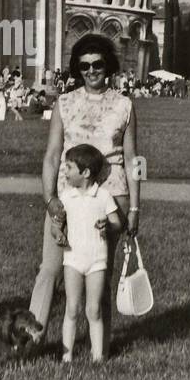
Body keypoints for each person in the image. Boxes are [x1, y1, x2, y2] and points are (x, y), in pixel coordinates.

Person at [30, 33, 140, 353]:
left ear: (109, 65)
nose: (92, 70)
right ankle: (32, 341)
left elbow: (134, 159)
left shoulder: (124, 105)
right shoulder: (64, 102)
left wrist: (134, 208)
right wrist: (49, 199)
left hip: (110, 197)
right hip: (67, 199)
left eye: (98, 64)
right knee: (50, 270)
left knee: (99, 274)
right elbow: (52, 155)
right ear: (77, 68)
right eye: (84, 65)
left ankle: (99, 349)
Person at [57, 144, 123, 364]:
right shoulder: (66, 197)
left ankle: (98, 358)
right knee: (72, 308)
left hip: (97, 260)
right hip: (73, 259)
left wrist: (108, 225)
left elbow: (117, 224)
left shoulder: (103, 196)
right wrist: (57, 232)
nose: (64, 171)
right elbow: (56, 225)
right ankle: (66, 356)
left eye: (68, 167)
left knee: (93, 309)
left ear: (85, 173)